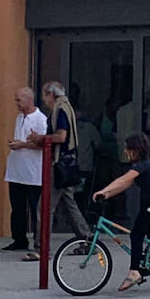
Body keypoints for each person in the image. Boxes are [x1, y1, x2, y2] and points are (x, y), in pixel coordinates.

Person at [93, 134, 150, 293]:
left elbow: (123, 179)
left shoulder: (144, 165)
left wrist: (103, 190)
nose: (125, 151)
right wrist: (107, 195)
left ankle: (135, 271)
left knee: (136, 234)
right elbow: (125, 185)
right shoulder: (141, 165)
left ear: (136, 149)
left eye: (127, 148)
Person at [41, 80, 89, 241]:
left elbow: (61, 137)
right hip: (66, 163)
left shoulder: (60, 110)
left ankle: (41, 246)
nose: (44, 100)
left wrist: (41, 138)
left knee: (45, 207)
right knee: (70, 205)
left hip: (59, 163)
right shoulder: (66, 108)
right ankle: (86, 240)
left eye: (45, 95)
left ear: (51, 94)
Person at [4, 86, 48, 259]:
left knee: (35, 208)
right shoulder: (19, 118)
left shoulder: (41, 119)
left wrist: (22, 145)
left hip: (33, 172)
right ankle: (19, 238)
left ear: (29, 100)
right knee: (17, 207)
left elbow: (44, 145)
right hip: (16, 170)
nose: (16, 103)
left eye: (19, 100)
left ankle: (39, 241)